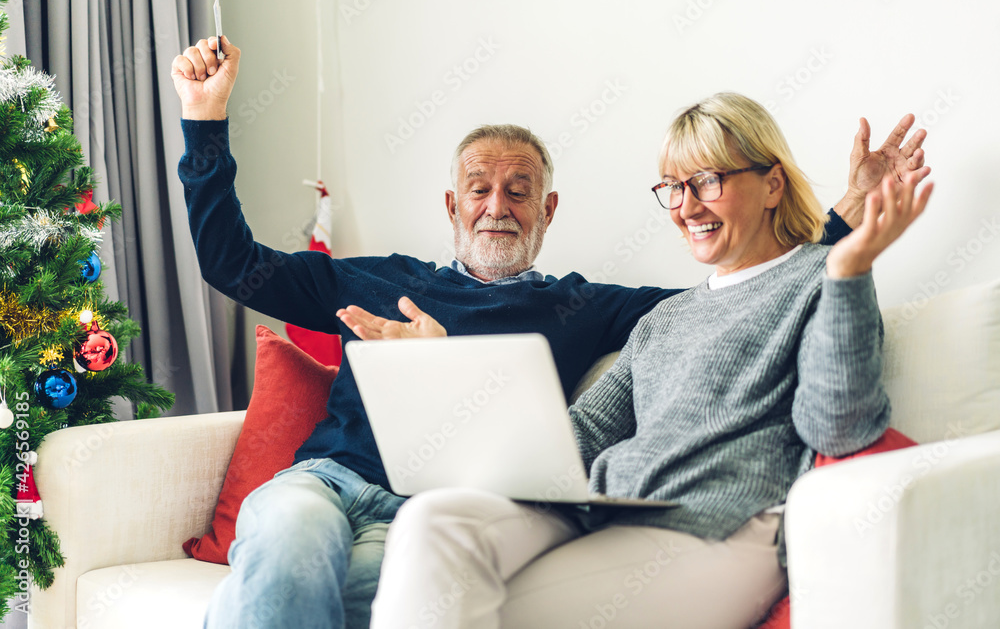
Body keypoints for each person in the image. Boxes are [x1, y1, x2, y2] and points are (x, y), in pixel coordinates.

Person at [170, 37, 930, 629]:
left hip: (424, 510)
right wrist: (204, 122)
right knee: (295, 543)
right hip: (331, 484)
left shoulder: (588, 306)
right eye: (480, 188)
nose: (498, 204)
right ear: (452, 204)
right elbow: (234, 263)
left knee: (374, 579)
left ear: (548, 210)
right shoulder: (374, 279)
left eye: (519, 189)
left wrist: (841, 234)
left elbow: (750, 295)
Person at [366, 92, 933, 629]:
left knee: (493, 610)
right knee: (430, 521)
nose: (686, 206)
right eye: (672, 187)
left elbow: (839, 427)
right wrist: (449, 380)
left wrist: (849, 268)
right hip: (609, 506)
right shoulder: (666, 317)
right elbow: (585, 434)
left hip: (717, 524)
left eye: (706, 181)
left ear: (771, 185)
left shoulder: (824, 277)